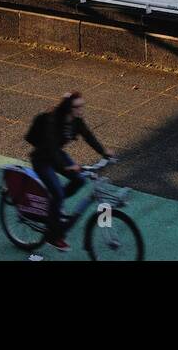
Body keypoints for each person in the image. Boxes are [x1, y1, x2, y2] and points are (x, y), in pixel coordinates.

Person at [24, 92, 111, 251]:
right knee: (57, 193)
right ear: (68, 108)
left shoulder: (76, 121)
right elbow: (50, 146)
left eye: (82, 105)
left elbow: (88, 136)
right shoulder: (52, 121)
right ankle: (53, 236)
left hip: (56, 154)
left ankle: (55, 206)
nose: (80, 110)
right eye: (77, 107)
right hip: (42, 159)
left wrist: (104, 152)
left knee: (79, 180)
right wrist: (66, 167)